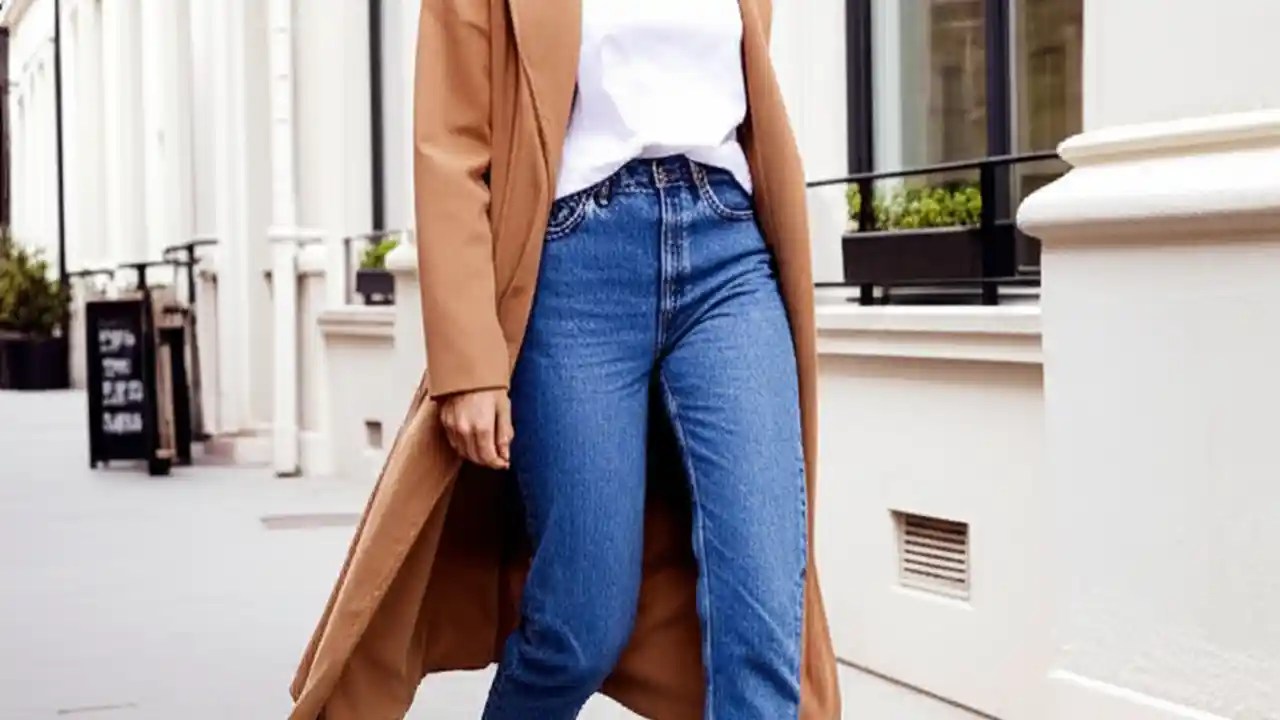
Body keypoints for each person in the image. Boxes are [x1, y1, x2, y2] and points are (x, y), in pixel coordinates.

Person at [287, 1, 840, 718]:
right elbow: (450, 146)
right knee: (579, 623)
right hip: (575, 263)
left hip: (728, 249)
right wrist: (470, 363)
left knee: (766, 615)